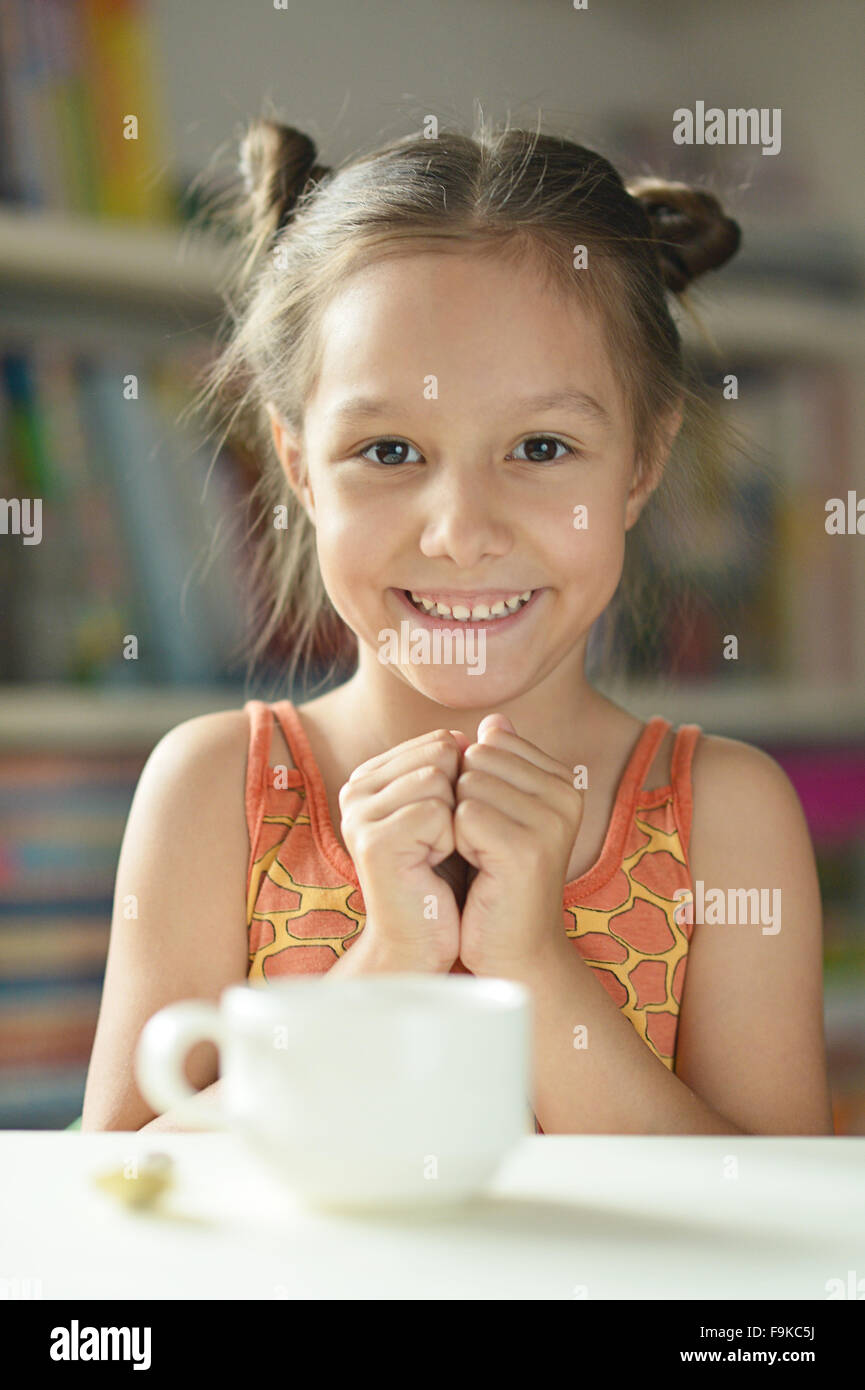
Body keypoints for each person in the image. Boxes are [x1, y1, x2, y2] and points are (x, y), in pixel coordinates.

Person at [81, 113, 834, 1137]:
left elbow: (775, 1212)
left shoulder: (724, 819)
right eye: (389, 451)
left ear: (642, 464)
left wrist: (532, 963)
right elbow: (120, 1187)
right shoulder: (215, 792)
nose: (462, 533)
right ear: (299, 467)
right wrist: (386, 962)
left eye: (540, 447)